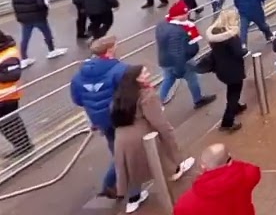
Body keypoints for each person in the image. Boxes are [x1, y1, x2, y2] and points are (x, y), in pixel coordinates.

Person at [110, 64, 196, 213]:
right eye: (144, 73)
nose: (148, 74)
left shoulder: (120, 94)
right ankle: (176, 170)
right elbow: (159, 123)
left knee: (131, 169)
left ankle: (133, 200)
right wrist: (172, 143)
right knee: (159, 164)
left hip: (121, 140)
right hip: (142, 138)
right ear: (136, 79)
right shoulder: (147, 95)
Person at [70, 36, 129, 200]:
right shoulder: (120, 69)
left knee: (117, 151)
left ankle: (117, 185)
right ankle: (112, 186)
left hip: (101, 120)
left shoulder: (78, 75)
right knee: (123, 154)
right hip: (120, 118)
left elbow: (77, 99)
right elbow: (129, 94)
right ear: (110, 49)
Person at [155, 3, 215, 109]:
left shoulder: (162, 24)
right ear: (178, 15)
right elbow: (177, 53)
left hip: (165, 61)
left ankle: (156, 103)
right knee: (193, 79)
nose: (187, 15)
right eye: (185, 13)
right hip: (182, 62)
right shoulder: (178, 31)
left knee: (168, 80)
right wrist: (179, 71)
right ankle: (198, 99)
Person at [174, 143, 261, 215]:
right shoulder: (244, 175)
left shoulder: (186, 203)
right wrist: (229, 162)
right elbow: (254, 170)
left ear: (203, 166)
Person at [10, 0, 68, 67]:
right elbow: (43, 4)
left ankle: (24, 58)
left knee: (25, 38)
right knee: (47, 33)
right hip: (39, 17)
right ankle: (52, 50)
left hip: (24, 18)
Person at [206, 10, 248, 133]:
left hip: (221, 69)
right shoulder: (231, 37)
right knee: (234, 93)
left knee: (231, 89)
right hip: (233, 70)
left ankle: (236, 107)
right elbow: (238, 53)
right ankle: (227, 121)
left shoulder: (214, 34)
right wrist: (244, 49)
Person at [0, 30, 33, 158]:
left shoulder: (9, 54)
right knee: (6, 125)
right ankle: (22, 146)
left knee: (10, 123)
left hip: (7, 97)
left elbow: (13, 75)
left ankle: (24, 146)